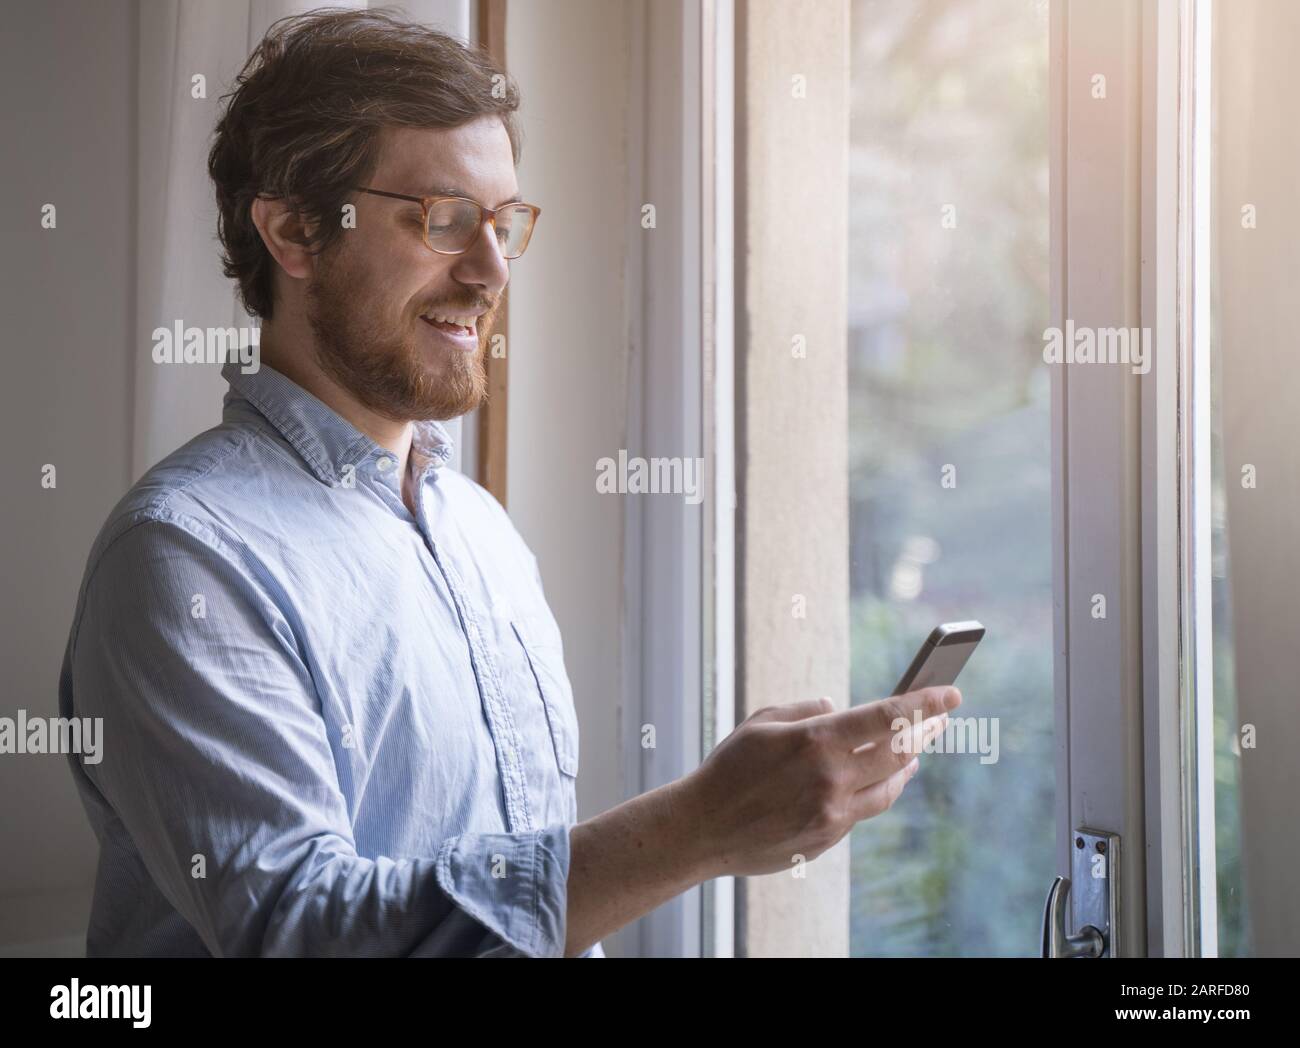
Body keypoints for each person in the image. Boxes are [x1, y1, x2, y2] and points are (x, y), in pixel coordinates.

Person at [59, 7, 959, 958]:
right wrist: (700, 827)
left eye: (504, 222)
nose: (490, 270)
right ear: (292, 230)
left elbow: (519, 906)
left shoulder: (478, 532)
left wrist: (728, 813)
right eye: (444, 220)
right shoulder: (183, 559)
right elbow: (303, 934)